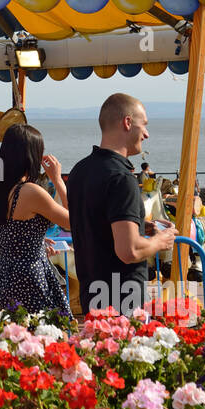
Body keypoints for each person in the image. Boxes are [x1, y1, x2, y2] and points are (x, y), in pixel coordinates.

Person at [67, 93, 176, 316]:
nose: (146, 133)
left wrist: (136, 225)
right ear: (127, 122)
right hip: (123, 299)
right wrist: (160, 241)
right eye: (143, 125)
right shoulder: (121, 178)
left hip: (93, 295)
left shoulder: (80, 171)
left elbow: (96, 223)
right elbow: (129, 250)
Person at [0, 123, 71, 315]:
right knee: (38, 337)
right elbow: (74, 222)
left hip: (3, 276)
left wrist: (28, 245)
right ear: (32, 155)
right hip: (31, 277)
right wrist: (58, 180)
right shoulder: (31, 192)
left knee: (10, 337)